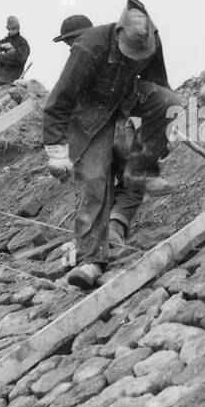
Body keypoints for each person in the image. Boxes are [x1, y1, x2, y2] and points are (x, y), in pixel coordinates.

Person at [43, 0, 180, 289]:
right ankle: (91, 260)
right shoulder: (88, 48)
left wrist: (161, 127)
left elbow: (159, 82)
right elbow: (58, 101)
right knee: (95, 180)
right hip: (88, 118)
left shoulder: (150, 41)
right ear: (118, 34)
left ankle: (138, 177)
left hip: (124, 104)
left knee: (168, 102)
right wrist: (56, 151)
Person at [54, 14, 142, 250]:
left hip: (91, 137)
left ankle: (98, 235)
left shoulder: (78, 61)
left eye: (66, 42)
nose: (68, 47)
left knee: (97, 187)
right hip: (122, 129)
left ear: (72, 39)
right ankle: (114, 227)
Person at [0, 15, 31, 97]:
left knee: (10, 103)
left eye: (13, 29)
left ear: (18, 28)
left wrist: (1, 56)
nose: (11, 31)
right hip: (2, 79)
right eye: (9, 29)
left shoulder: (22, 43)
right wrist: (1, 46)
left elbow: (20, 59)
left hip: (14, 80)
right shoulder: (6, 40)